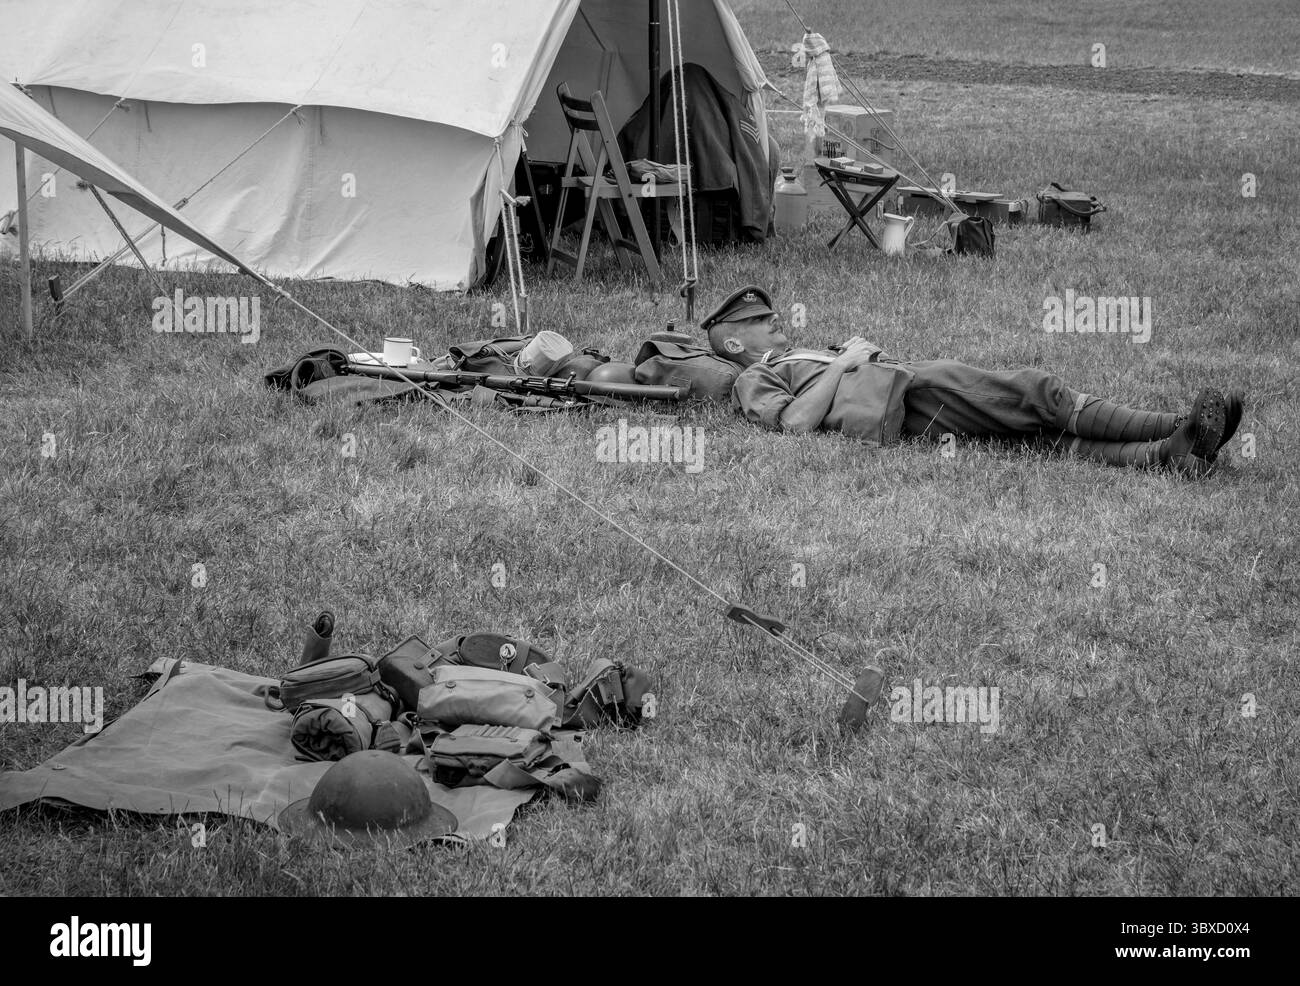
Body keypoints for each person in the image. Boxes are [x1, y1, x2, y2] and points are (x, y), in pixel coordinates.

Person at [701, 286, 1242, 476]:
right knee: (1034, 392)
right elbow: (794, 424)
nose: (774, 321)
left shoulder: (790, 355)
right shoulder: (754, 377)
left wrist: (847, 357)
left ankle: (1171, 455)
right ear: (731, 342)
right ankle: (1179, 425)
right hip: (904, 393)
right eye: (758, 321)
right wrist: (844, 364)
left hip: (897, 395)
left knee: (1032, 438)